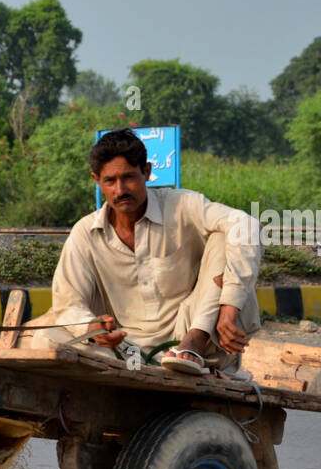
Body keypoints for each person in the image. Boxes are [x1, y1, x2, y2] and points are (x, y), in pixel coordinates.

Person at [20, 129, 262, 375]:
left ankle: (193, 344)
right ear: (97, 180)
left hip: (191, 335)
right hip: (123, 347)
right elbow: (68, 303)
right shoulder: (86, 232)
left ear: (146, 172)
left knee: (223, 236)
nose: (120, 190)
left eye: (129, 177)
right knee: (44, 340)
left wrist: (230, 306)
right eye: (110, 181)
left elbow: (245, 225)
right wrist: (93, 329)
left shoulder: (182, 206)